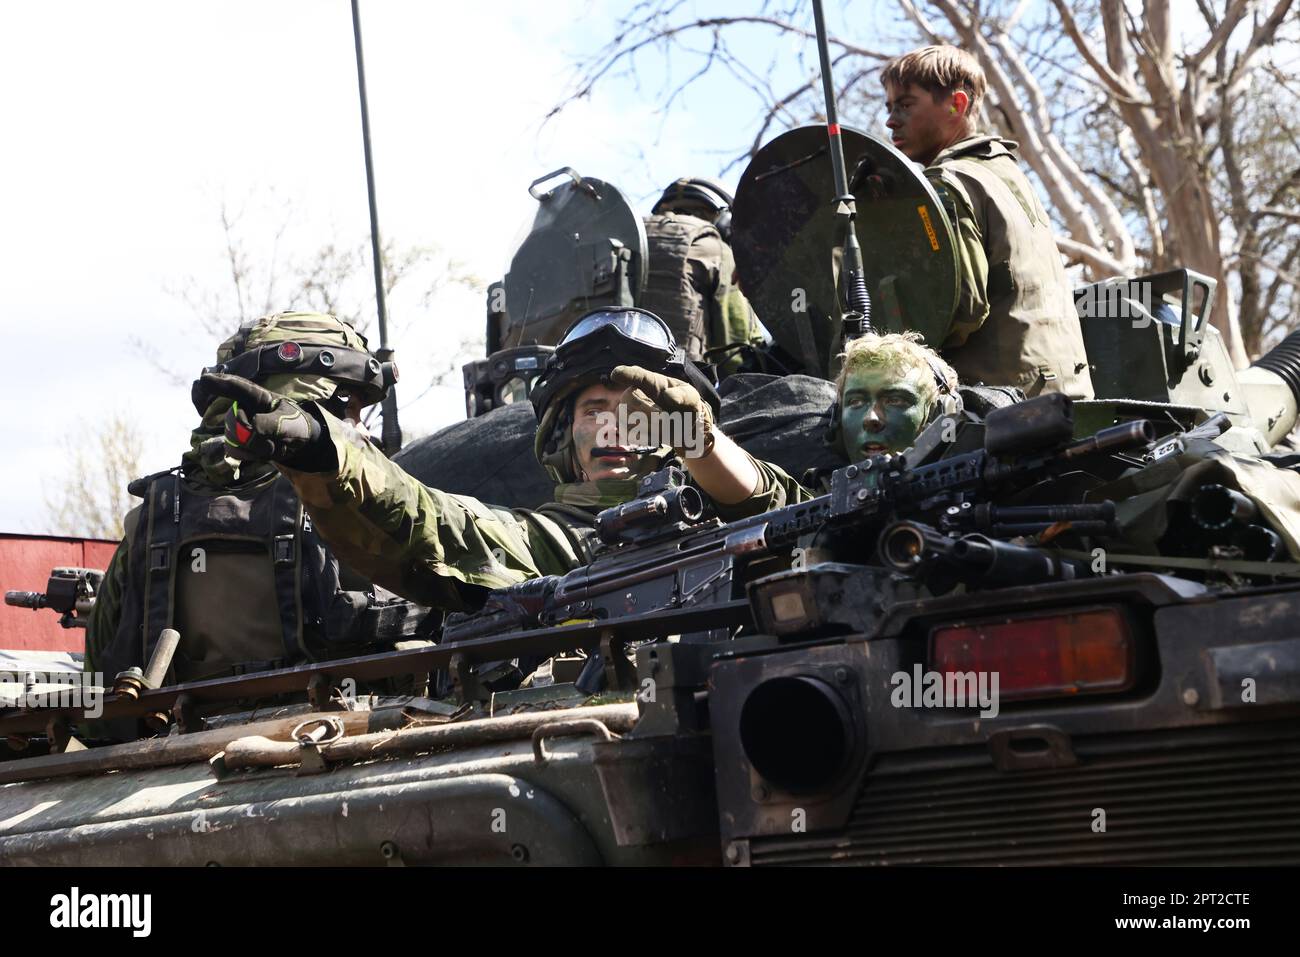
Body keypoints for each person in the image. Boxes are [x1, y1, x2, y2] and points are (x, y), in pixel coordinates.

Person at [202, 308, 806, 616]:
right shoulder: (558, 539)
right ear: (562, 435)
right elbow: (444, 525)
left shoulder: (733, 500)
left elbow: (785, 510)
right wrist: (324, 449)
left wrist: (697, 441)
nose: (614, 424)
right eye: (594, 408)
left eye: (638, 408)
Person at [86, 312, 422, 685]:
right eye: (352, 410)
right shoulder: (366, 506)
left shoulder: (151, 520)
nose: (359, 428)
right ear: (316, 400)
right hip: (353, 736)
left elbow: (98, 689)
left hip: (183, 742)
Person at [881, 45, 1094, 399]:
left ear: (957, 105)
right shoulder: (1003, 172)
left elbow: (957, 308)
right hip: (1063, 392)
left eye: (905, 105)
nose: (891, 120)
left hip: (1000, 406)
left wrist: (885, 329)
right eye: (889, 108)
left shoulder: (948, 182)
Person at [643, 177, 763, 376]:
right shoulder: (715, 248)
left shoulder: (629, 235)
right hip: (670, 390)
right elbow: (737, 348)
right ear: (725, 219)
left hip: (591, 388)